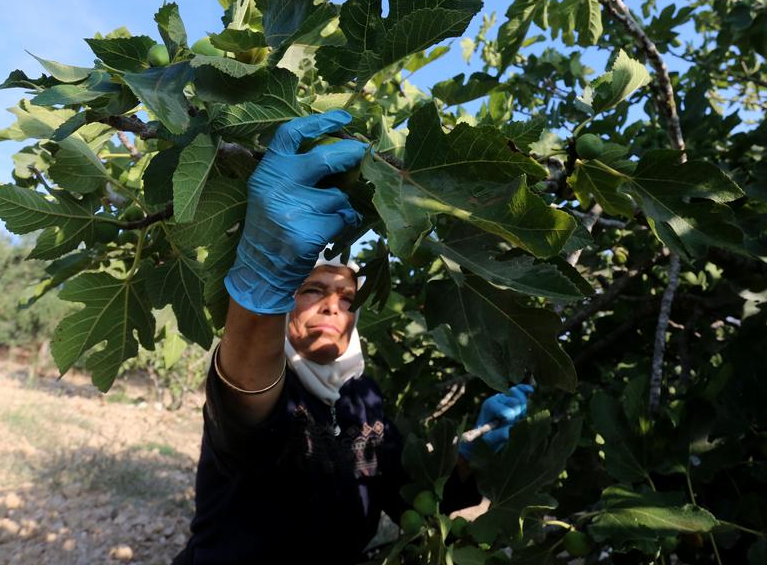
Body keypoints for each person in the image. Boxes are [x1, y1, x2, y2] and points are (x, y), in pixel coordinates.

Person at [171, 111, 534, 564]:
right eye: (312, 290)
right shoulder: (269, 384)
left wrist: (468, 457)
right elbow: (246, 389)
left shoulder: (365, 398)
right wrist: (263, 279)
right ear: (286, 299)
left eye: (346, 298)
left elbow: (410, 500)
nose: (332, 307)